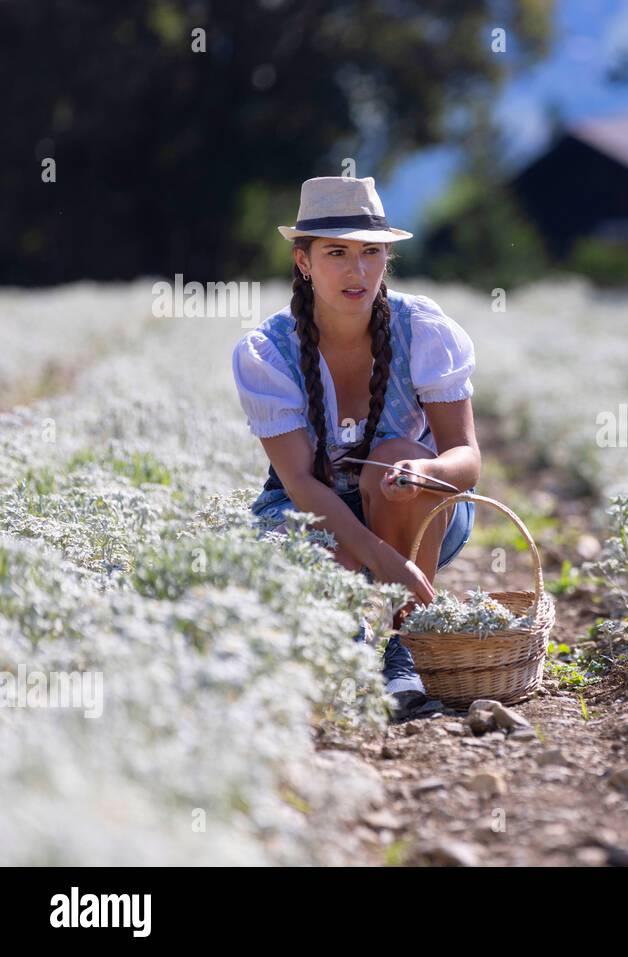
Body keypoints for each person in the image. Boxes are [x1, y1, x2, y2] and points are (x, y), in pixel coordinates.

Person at [231, 175, 480, 723]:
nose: (356, 270)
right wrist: (380, 560)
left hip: (413, 514)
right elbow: (300, 484)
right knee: (319, 558)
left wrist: (425, 470)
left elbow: (467, 457)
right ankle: (348, 645)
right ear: (304, 262)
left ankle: (401, 651)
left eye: (370, 253)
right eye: (336, 253)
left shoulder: (424, 329)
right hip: (312, 510)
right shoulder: (268, 351)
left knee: (394, 457)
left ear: (387, 257)